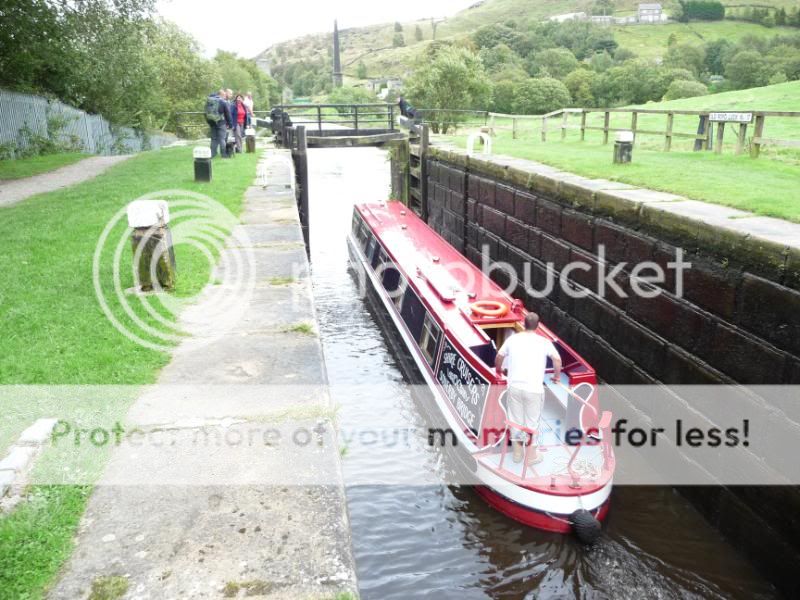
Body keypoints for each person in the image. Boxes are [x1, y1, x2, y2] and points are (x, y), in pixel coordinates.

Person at [494, 312, 562, 466]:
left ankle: (517, 453)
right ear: (538, 326)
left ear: (524, 324)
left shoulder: (513, 339)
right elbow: (557, 359)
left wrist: (498, 370)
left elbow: (499, 356)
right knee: (532, 423)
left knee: (515, 420)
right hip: (534, 390)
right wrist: (556, 377)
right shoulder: (544, 342)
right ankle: (531, 456)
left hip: (515, 387)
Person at [205, 88, 232, 158]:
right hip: (221, 122)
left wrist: (208, 121)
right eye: (224, 95)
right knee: (222, 139)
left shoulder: (209, 101)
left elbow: (205, 112)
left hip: (212, 122)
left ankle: (212, 154)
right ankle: (224, 155)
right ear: (222, 94)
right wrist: (230, 124)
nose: (225, 96)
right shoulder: (223, 102)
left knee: (214, 139)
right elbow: (227, 114)